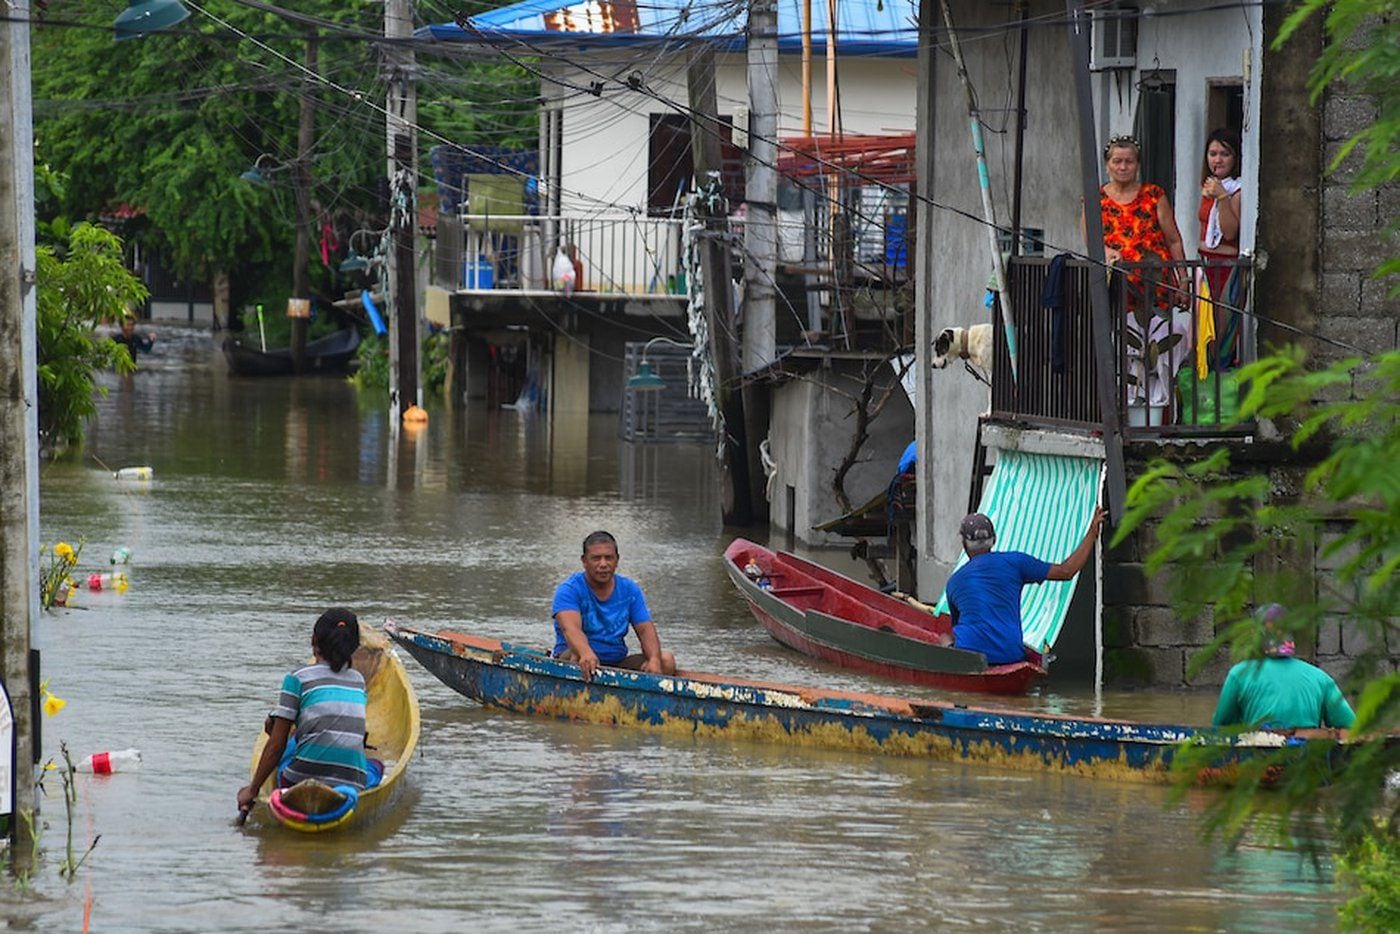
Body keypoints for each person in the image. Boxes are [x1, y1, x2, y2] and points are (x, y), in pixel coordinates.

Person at [237, 608, 370, 818]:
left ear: (313, 640)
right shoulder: (358, 681)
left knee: (285, 748)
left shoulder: (297, 678)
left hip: (300, 778)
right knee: (375, 765)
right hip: (353, 781)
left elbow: (276, 746)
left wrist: (252, 790)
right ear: (353, 646)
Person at [939, 508, 1104, 665]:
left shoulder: (954, 582)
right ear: (994, 540)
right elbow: (1066, 571)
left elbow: (957, 625)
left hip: (969, 655)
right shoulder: (1015, 562)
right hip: (1010, 655)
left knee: (945, 638)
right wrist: (1091, 534)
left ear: (964, 543)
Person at [553, 531, 676, 679]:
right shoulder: (569, 590)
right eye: (596, 559)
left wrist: (654, 661)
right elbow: (571, 629)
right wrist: (586, 653)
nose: (603, 564)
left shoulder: (630, 589)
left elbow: (645, 630)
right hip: (576, 657)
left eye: (609, 558)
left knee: (666, 660)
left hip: (616, 661)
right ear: (584, 561)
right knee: (577, 654)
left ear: (617, 560)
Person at [1212, 603, 1355, 731]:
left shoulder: (1240, 674)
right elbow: (1350, 725)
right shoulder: (1320, 677)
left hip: (1257, 755)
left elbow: (1221, 725)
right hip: (1305, 755)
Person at [1196, 127, 1245, 365]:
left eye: (1224, 154)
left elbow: (1229, 231)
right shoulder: (1207, 188)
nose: (1218, 159)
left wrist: (1222, 197)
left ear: (1235, 158)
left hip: (1225, 270)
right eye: (1213, 153)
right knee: (1203, 330)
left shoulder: (1235, 191)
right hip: (1205, 268)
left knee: (1221, 330)